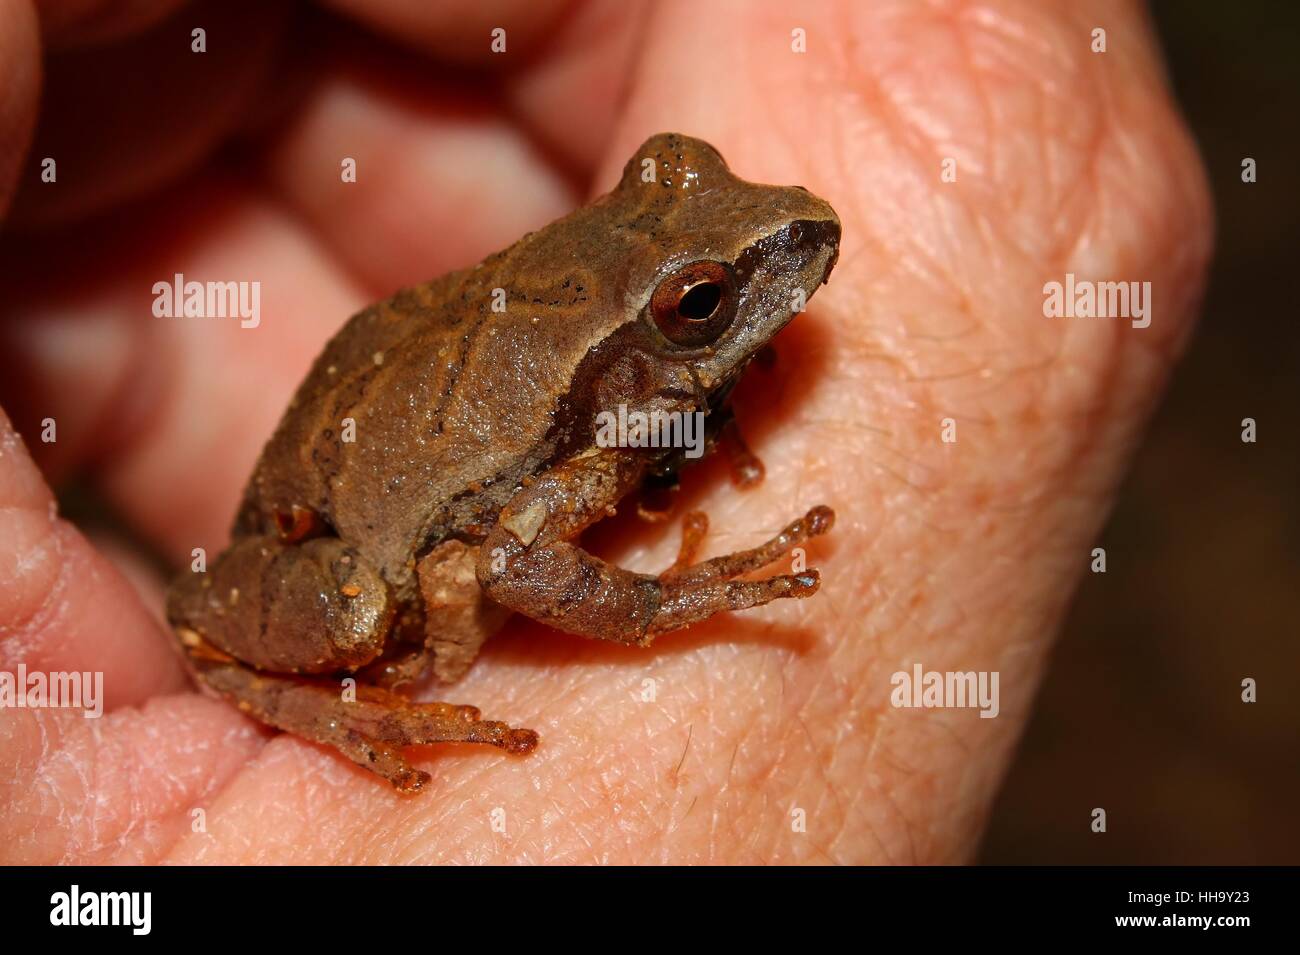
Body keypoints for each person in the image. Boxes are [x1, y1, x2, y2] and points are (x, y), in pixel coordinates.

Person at [0, 0, 1212, 863]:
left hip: (424, 399)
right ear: (642, 347)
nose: (783, 238)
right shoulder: (573, 440)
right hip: (352, 536)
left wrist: (689, 392)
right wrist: (658, 607)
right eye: (703, 306)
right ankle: (291, 685)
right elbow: (516, 557)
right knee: (366, 610)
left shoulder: (627, 393)